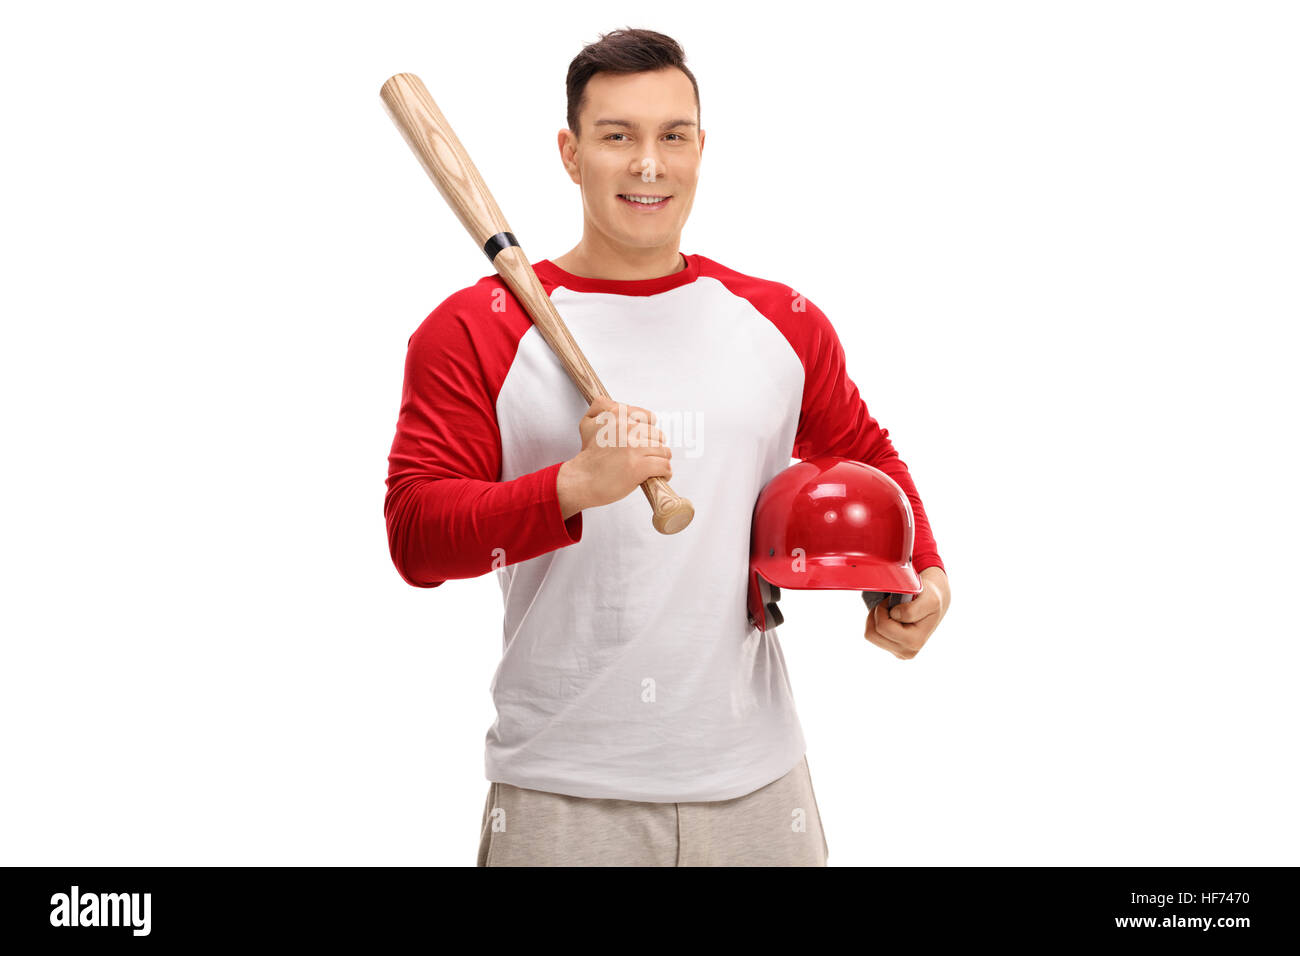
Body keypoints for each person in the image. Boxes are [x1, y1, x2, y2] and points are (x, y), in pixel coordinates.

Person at [384, 27, 951, 867]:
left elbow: (864, 450)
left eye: (671, 136)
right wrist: (571, 486)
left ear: (699, 148)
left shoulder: (779, 322)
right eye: (617, 136)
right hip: (561, 796)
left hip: (760, 787)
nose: (648, 164)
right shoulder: (475, 329)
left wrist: (922, 573)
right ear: (572, 155)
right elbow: (416, 539)